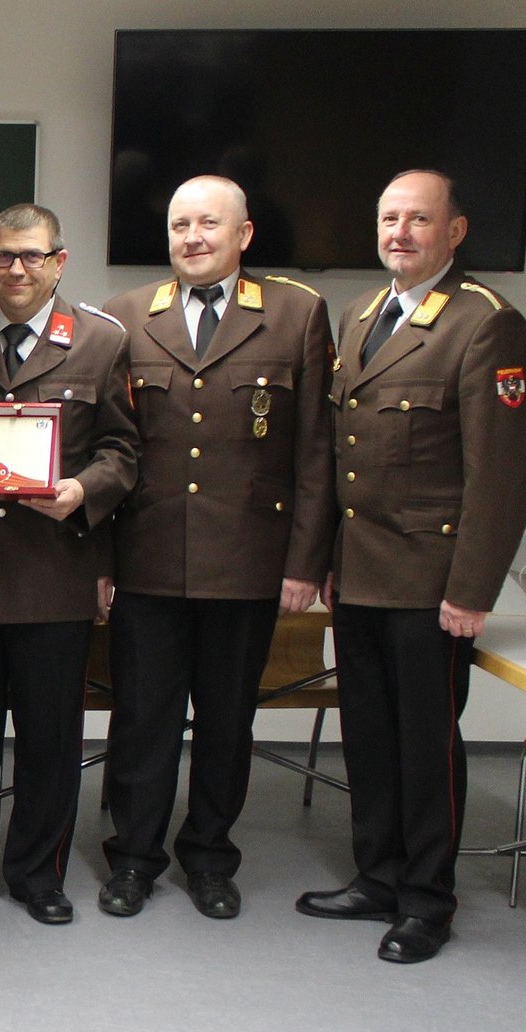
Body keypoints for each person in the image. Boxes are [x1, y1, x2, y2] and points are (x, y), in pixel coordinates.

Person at [300, 169, 526, 964]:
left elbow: (503, 477)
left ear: (456, 231)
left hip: (433, 583)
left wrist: (473, 590)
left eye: (418, 219)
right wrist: (330, 561)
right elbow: (346, 459)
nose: (399, 233)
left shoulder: (485, 326)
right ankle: (377, 875)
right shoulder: (365, 314)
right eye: (389, 218)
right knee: (368, 735)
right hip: (364, 574)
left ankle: (427, 899)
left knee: (426, 743)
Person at [97, 175, 333, 920]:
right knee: (142, 720)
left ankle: (209, 858)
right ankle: (132, 858)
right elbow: (108, 450)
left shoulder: (297, 314)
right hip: (149, 558)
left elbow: (317, 453)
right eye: (179, 225)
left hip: (248, 563)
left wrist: (304, 562)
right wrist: (100, 562)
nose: (192, 238)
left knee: (228, 721)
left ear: (244, 235)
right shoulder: (126, 317)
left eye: (208, 224)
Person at [0, 204, 137, 926]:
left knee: (51, 738)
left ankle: (38, 874)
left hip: (55, 570)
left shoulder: (103, 343)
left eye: (32, 257)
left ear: (59, 261)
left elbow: (125, 452)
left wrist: (83, 490)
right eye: (4, 256)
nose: (17, 270)